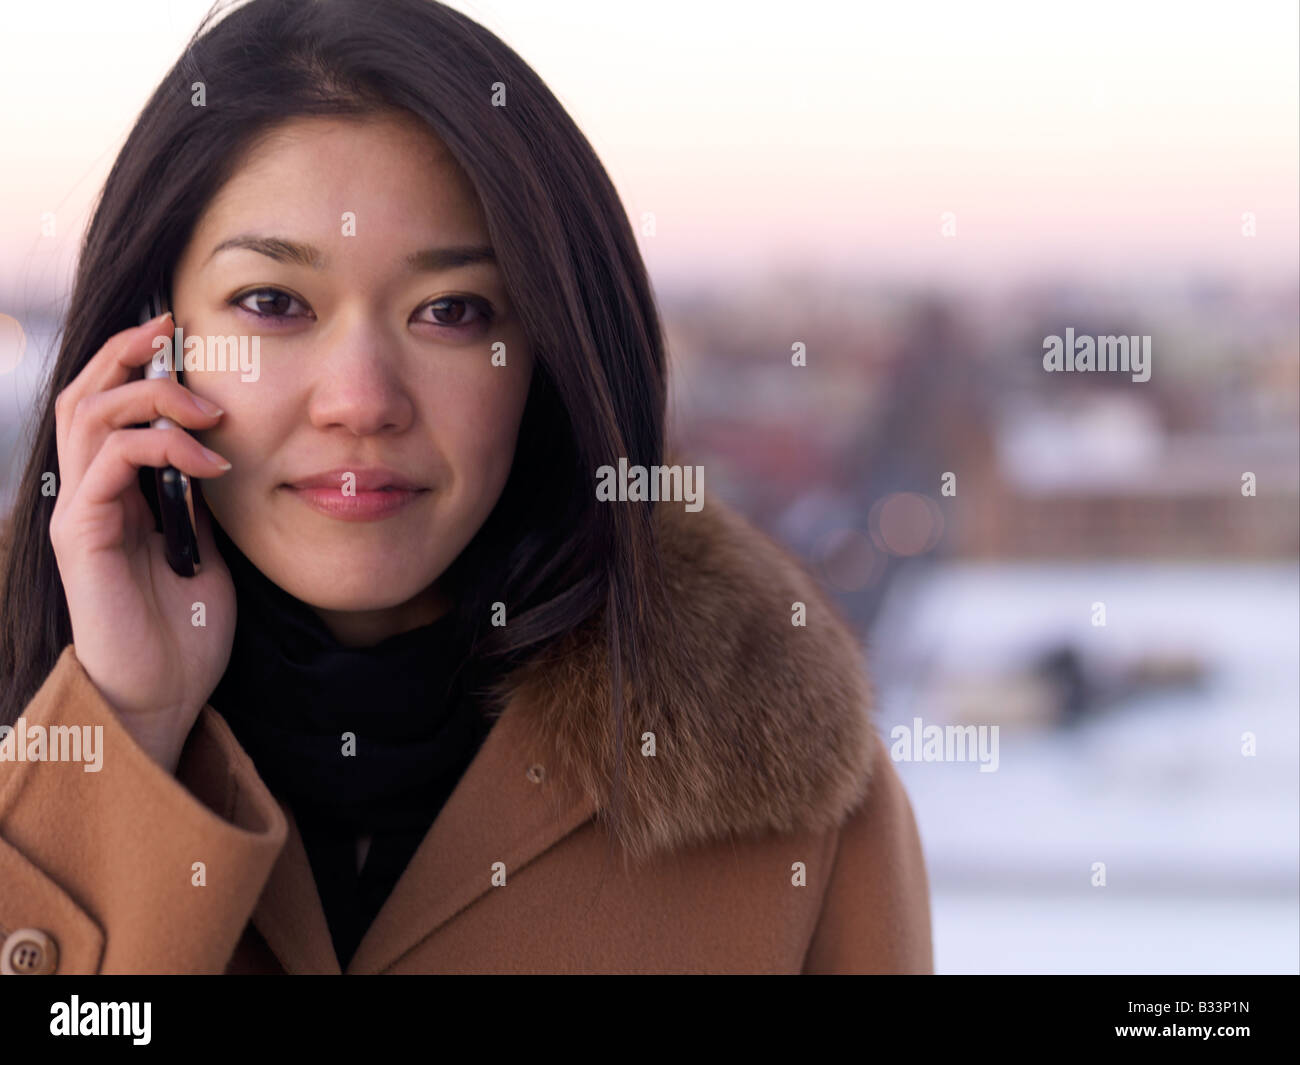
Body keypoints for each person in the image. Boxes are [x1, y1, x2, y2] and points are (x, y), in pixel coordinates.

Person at [0, 0, 932, 974]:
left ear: (548, 353)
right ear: (154, 333)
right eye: (273, 304)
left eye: (451, 311)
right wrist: (120, 728)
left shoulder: (794, 804)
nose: (360, 402)